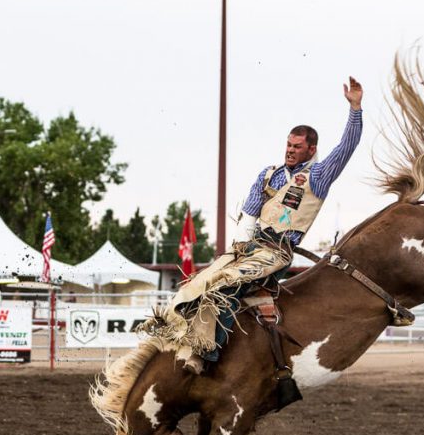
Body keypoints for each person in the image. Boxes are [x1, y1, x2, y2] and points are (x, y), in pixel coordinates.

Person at [144, 76, 365, 374]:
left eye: (297, 146)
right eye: (288, 144)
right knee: (200, 280)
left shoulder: (318, 176)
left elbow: (346, 148)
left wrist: (355, 109)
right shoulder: (268, 175)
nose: (289, 150)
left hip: (277, 251)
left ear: (311, 150)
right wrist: (238, 249)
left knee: (226, 285)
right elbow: (249, 212)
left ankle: (208, 354)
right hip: (250, 247)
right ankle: (171, 329)